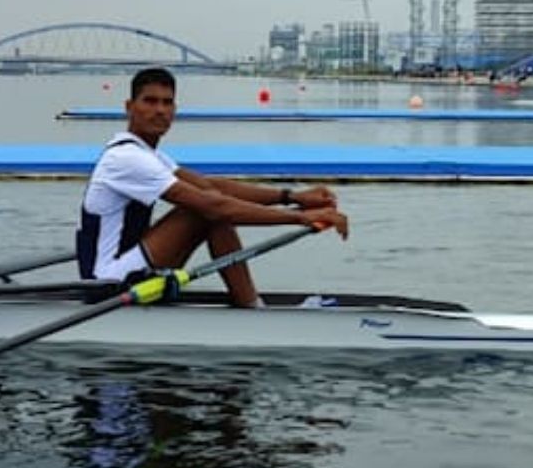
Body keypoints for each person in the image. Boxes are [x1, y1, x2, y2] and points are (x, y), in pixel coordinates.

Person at [75, 67, 349, 308]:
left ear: (175, 110)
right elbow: (214, 205)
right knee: (206, 211)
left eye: (167, 103)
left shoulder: (148, 155)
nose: (159, 110)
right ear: (129, 107)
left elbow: (210, 186)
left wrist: (293, 197)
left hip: (129, 271)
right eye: (150, 101)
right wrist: (301, 218)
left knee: (211, 203)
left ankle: (251, 306)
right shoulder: (126, 158)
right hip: (107, 286)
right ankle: (252, 309)